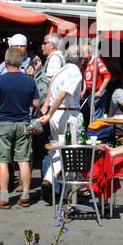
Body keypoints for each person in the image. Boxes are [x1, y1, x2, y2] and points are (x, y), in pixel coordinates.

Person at [0, 46, 40, 209]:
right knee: (23, 160)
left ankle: (3, 198)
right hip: (23, 122)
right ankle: (24, 196)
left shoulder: (0, 80)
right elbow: (36, 103)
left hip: (3, 123)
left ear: (6, 61)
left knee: (2, 160)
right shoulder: (29, 80)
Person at [39, 45, 84, 186]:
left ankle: (62, 187)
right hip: (68, 114)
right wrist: (49, 113)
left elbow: (53, 90)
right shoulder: (74, 71)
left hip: (57, 114)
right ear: (80, 59)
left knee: (62, 150)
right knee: (71, 152)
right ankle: (62, 186)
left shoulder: (60, 71)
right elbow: (62, 93)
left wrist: (49, 111)